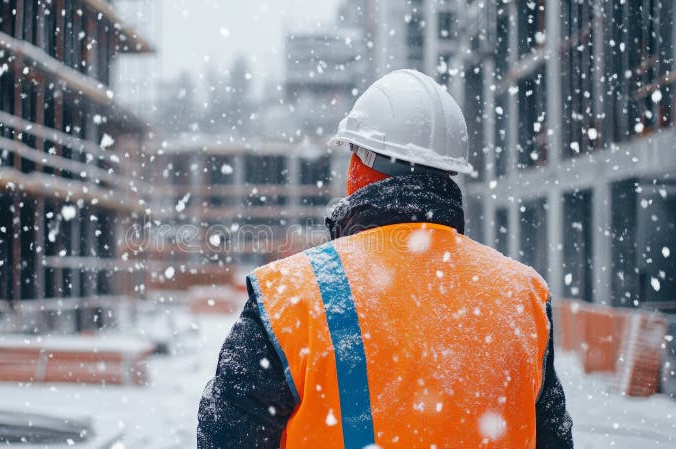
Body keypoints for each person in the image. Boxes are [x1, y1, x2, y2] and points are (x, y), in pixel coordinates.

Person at [198, 69, 573, 449]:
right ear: (449, 172)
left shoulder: (289, 296)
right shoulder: (522, 294)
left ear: (361, 163)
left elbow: (226, 437)